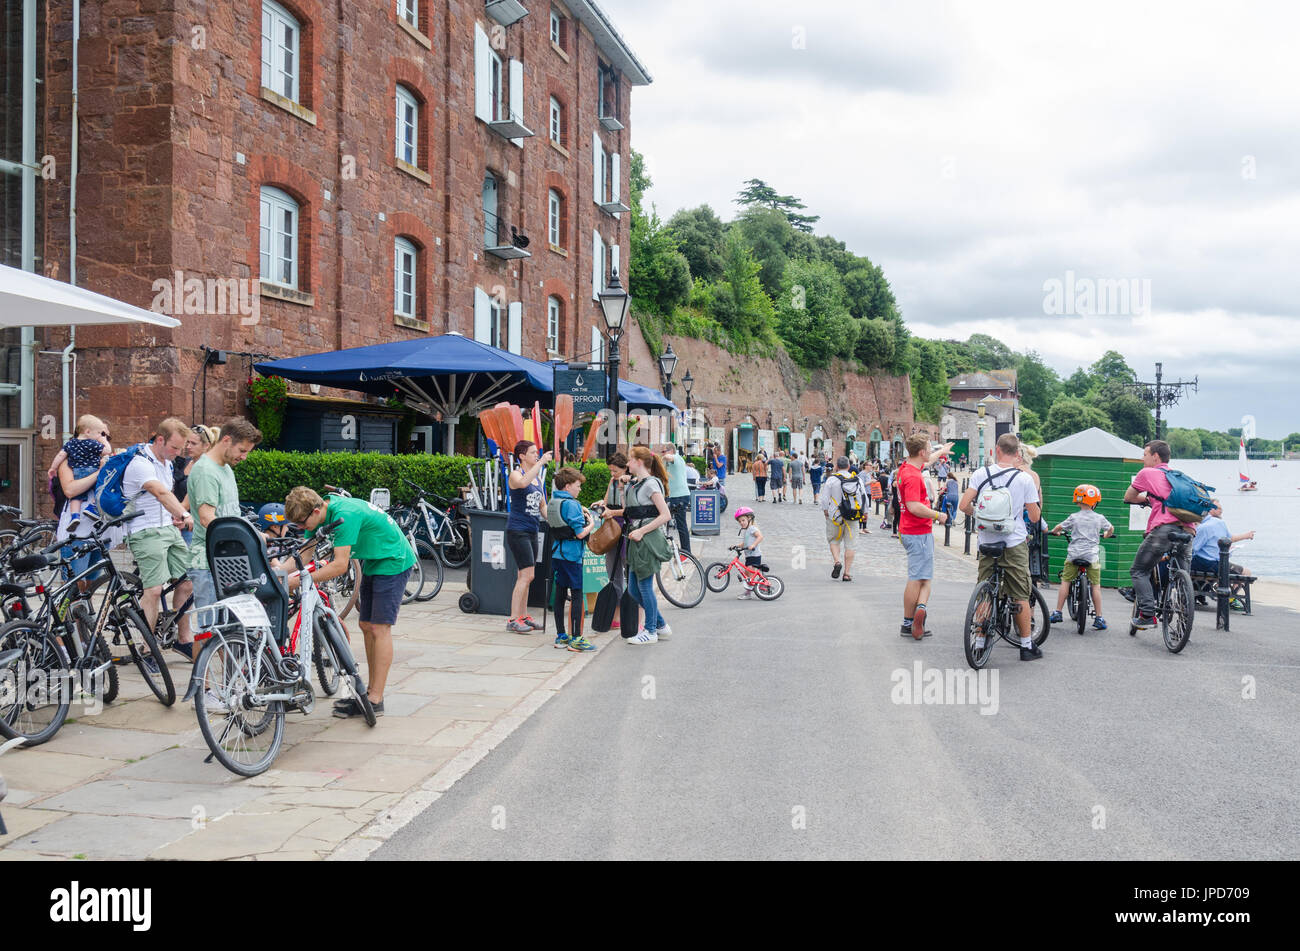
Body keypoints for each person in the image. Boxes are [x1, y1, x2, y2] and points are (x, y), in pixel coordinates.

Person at [284, 485, 415, 717]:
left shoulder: (345, 515)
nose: (302, 529)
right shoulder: (318, 514)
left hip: (394, 558)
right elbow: (303, 556)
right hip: (376, 558)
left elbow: (339, 565)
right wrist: (278, 576)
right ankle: (369, 693)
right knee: (366, 626)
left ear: (315, 512)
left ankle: (376, 698)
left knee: (379, 628)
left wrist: (299, 582)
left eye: (303, 524)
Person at [958, 433, 1043, 661]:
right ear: (1018, 454)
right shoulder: (1024, 479)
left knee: (985, 590)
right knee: (1020, 595)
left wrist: (981, 515)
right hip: (1013, 542)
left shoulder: (980, 474)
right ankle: (1026, 646)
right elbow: (1034, 517)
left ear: (996, 451)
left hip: (987, 542)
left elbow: (963, 505)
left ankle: (979, 640)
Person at [122, 418, 197, 659]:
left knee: (187, 582)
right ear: (160, 439)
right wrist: (184, 515)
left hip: (168, 529)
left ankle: (183, 639)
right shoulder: (141, 463)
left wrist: (175, 518)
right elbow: (161, 493)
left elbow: (168, 497)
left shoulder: (165, 463)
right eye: (175, 448)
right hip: (145, 531)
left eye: (181, 449)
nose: (178, 454)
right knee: (154, 590)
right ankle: (147, 649)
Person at [187, 418, 262, 611]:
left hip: (225, 558)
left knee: (225, 629)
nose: (244, 457)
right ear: (227, 440)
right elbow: (206, 518)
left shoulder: (225, 467)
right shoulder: (206, 471)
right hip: (208, 561)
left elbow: (229, 514)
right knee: (212, 630)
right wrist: (247, 536)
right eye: (242, 450)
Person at [1123, 439, 1196, 630]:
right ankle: (1184, 619)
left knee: (1139, 570)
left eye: (1145, 455)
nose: (1142, 458)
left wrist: (1147, 500)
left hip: (1164, 529)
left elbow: (1128, 497)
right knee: (1182, 573)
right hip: (1188, 530)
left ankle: (1147, 614)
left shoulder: (1147, 472)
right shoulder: (1179, 476)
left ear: (1155, 456)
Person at [898, 434, 949, 639]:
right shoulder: (913, 476)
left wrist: (941, 452)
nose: (930, 451)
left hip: (909, 531)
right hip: (918, 531)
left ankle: (914, 616)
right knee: (920, 578)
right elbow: (913, 506)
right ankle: (911, 619)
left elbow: (926, 459)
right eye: (928, 448)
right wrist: (939, 515)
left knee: (921, 576)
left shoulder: (907, 467)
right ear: (921, 452)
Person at [623, 446, 674, 644]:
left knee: (644, 586)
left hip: (647, 540)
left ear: (639, 462)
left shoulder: (651, 485)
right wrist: (623, 488)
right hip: (637, 539)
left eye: (629, 460)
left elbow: (665, 515)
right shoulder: (638, 484)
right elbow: (630, 511)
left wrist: (642, 531)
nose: (627, 464)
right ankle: (661, 626)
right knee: (634, 589)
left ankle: (651, 631)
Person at [1049, 484, 1114, 630]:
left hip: (1074, 555)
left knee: (1065, 581)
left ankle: (1058, 612)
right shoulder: (1099, 518)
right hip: (1091, 556)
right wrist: (1106, 535)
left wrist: (1055, 531)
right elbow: (1110, 528)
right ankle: (1099, 617)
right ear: (1095, 502)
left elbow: (1060, 527)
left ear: (1078, 501)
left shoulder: (1074, 517)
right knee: (1096, 586)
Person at [505, 440, 552, 634]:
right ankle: (513, 619)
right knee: (527, 575)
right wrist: (541, 463)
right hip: (518, 530)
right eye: (532, 453)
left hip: (533, 530)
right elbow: (522, 483)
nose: (536, 456)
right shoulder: (516, 474)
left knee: (526, 576)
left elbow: (542, 506)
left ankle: (523, 615)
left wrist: (555, 522)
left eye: (537, 453)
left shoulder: (538, 480)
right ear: (522, 456)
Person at [548, 467, 596, 652]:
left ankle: (561, 636)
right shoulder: (573, 505)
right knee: (577, 594)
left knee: (560, 594)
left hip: (557, 553)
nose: (580, 489)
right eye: (577, 485)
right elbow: (579, 533)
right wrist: (591, 523)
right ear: (568, 486)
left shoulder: (554, 501)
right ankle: (577, 638)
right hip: (572, 555)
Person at [48, 414, 111, 532]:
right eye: (101, 434)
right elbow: (71, 491)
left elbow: (60, 454)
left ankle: (75, 516)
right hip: (78, 535)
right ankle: (92, 507)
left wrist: (52, 467)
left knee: (78, 498)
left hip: (100, 533)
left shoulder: (71, 445)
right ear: (88, 432)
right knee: (101, 486)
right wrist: (100, 471)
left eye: (106, 436)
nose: (102, 438)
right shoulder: (68, 462)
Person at [592, 451, 631, 631]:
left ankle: (629, 611)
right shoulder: (613, 481)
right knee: (612, 569)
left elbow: (629, 510)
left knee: (626, 567)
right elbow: (608, 501)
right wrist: (601, 505)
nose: (612, 474)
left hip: (625, 527)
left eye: (615, 471)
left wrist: (612, 513)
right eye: (610, 471)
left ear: (625, 469)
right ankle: (616, 613)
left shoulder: (629, 484)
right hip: (611, 528)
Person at [819, 456, 862, 582]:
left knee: (834, 540)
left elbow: (825, 498)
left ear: (836, 466)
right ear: (849, 466)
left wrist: (825, 510)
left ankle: (837, 561)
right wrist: (864, 513)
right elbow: (862, 496)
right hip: (853, 515)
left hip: (835, 515)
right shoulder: (856, 479)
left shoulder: (832, 480)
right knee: (851, 544)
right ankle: (847, 573)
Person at [175, 424, 217, 544]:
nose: (188, 446)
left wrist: (180, 515)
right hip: (177, 520)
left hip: (193, 526)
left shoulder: (206, 468)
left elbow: (190, 500)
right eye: (187, 442)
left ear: (206, 446)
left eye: (193, 444)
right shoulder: (186, 462)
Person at [1189, 499, 1253, 577]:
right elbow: (1229, 539)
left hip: (1207, 563)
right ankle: (1233, 589)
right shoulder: (1221, 523)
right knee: (1246, 573)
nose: (1221, 511)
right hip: (1219, 563)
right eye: (1218, 508)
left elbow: (1193, 549)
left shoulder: (1203, 527)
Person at [660, 442, 693, 557]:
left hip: (680, 497)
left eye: (663, 451)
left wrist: (661, 457)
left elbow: (669, 457)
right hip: (673, 496)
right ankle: (666, 550)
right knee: (664, 522)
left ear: (671, 451)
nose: (662, 454)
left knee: (681, 525)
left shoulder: (677, 458)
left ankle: (686, 553)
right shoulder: (668, 463)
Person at [733, 506, 764, 600]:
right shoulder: (746, 530)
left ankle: (748, 593)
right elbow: (745, 543)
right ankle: (760, 587)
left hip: (754, 555)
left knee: (750, 575)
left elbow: (760, 537)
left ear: (749, 518)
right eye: (739, 521)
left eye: (743, 520)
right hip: (749, 556)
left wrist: (753, 545)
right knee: (747, 573)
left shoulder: (752, 528)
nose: (741, 523)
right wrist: (736, 546)